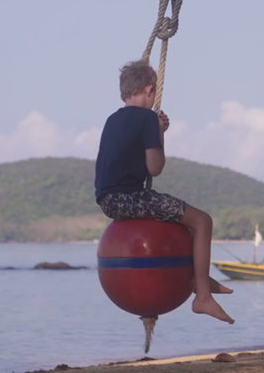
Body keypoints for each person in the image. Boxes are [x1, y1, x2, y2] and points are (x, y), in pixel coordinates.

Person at [94, 60, 235, 324]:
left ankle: (199, 279)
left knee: (186, 222)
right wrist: (159, 132)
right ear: (150, 90)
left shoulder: (112, 119)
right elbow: (155, 167)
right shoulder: (147, 118)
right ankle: (203, 298)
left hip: (107, 199)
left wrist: (155, 132)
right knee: (202, 221)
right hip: (130, 199)